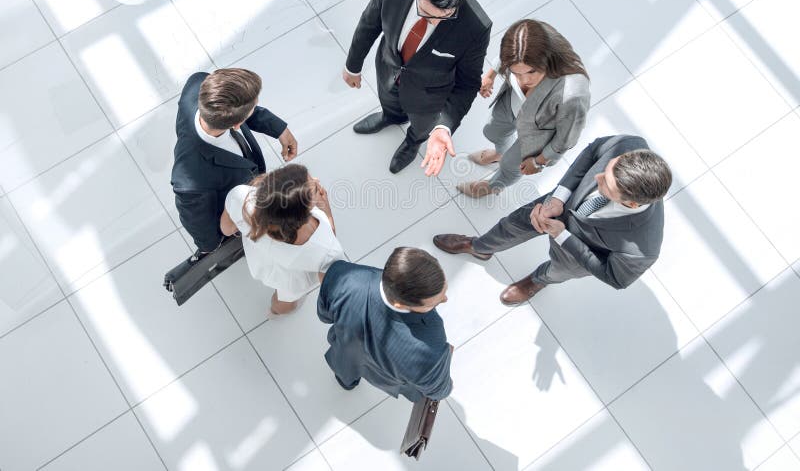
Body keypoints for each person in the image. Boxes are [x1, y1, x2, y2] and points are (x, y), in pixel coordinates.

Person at [433, 135, 671, 304]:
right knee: (512, 225)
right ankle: (480, 247)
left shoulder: (642, 248)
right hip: (557, 205)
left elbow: (613, 277)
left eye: (606, 185)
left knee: (556, 271)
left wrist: (562, 235)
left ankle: (537, 281)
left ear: (631, 203)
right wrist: (559, 196)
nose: (596, 179)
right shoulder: (629, 145)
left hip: (576, 254)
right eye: (606, 170)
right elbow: (593, 151)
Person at [342, 0, 491, 175]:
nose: (436, 22)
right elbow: (369, 22)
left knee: (422, 127)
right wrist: (352, 66)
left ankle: (412, 143)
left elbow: (467, 84)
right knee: (389, 101)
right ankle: (390, 116)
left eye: (446, 16)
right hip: (389, 67)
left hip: (430, 96)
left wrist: (444, 126)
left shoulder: (476, 26)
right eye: (427, 13)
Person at [171, 69, 298, 258]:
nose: (256, 108)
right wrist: (213, 244)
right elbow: (198, 224)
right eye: (253, 108)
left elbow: (242, 107)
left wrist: (280, 130)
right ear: (237, 124)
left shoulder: (199, 83)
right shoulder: (191, 180)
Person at [460, 19, 591, 198]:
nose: (524, 81)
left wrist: (539, 162)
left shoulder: (573, 95)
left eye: (531, 72)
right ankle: (500, 153)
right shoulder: (521, 42)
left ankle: (494, 185)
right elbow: (504, 58)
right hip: (513, 103)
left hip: (538, 134)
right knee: (492, 131)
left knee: (510, 165)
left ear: (547, 59)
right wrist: (490, 76)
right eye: (516, 73)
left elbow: (565, 139)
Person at [317, 248, 453, 402]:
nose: (445, 299)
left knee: (345, 375)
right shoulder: (430, 348)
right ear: (399, 304)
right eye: (434, 302)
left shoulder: (344, 276)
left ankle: (346, 383)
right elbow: (439, 391)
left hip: (344, 354)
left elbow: (325, 316)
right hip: (385, 378)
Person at [221, 164, 344, 315]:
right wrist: (326, 209)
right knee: (287, 304)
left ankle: (274, 310)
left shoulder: (241, 195)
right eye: (313, 188)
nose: (317, 180)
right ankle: (274, 312)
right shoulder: (329, 250)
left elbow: (226, 230)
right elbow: (331, 282)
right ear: (300, 216)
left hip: (261, 262)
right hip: (292, 279)